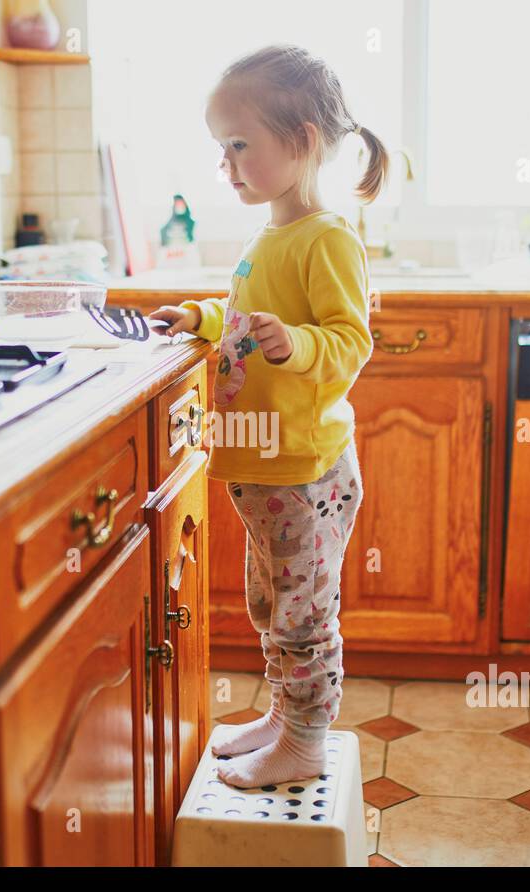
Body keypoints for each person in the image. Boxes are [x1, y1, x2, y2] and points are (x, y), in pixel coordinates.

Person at [150, 44, 385, 788]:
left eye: (239, 144)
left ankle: (307, 741)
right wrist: (199, 316)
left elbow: (351, 340)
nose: (227, 163)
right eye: (222, 148)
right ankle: (285, 717)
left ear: (303, 142)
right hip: (261, 465)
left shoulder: (328, 238)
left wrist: (301, 343)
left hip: (305, 469)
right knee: (271, 603)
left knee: (303, 615)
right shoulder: (267, 238)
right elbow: (247, 319)